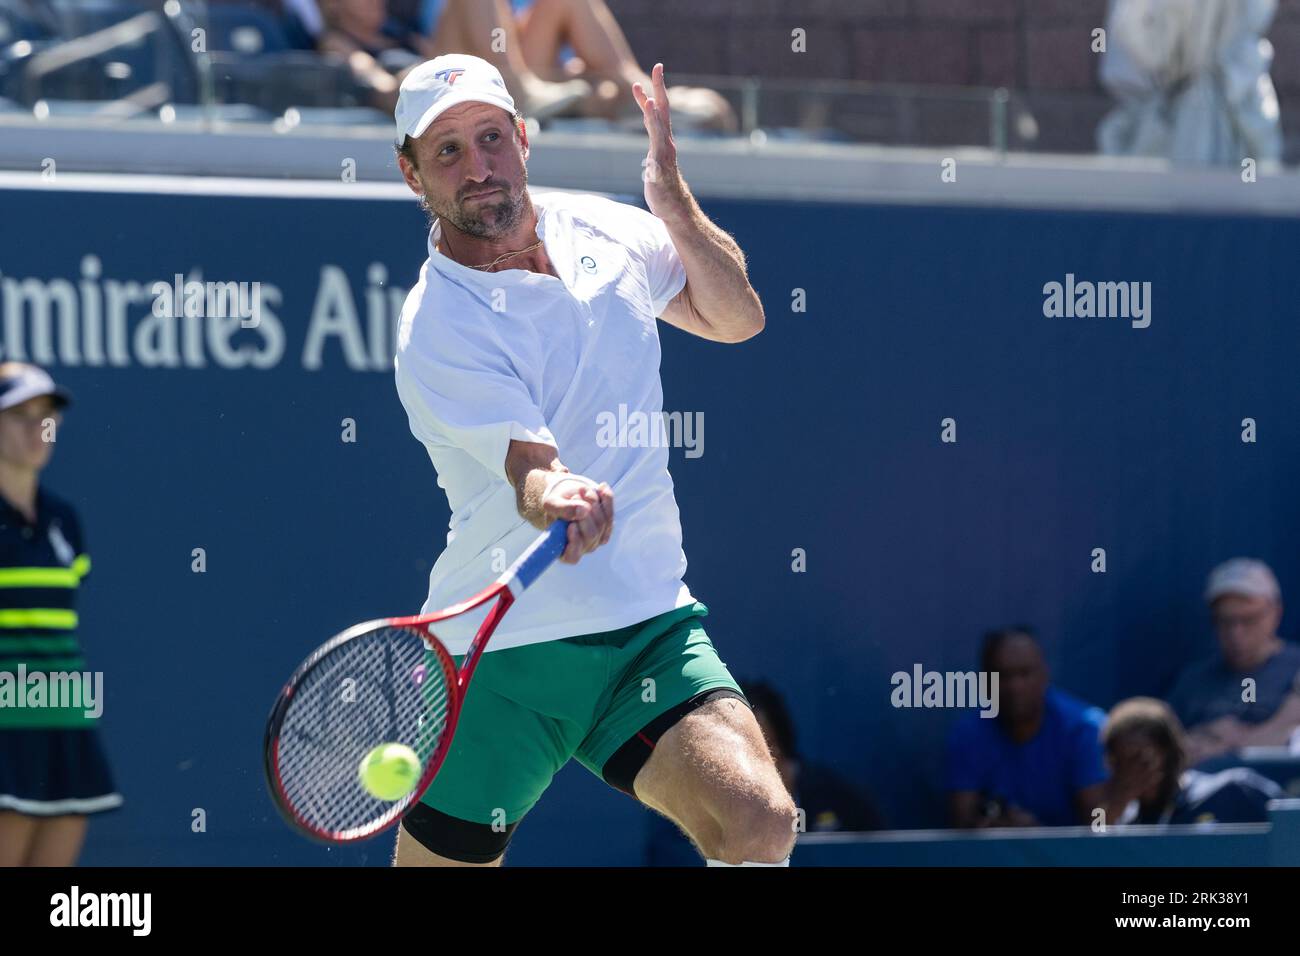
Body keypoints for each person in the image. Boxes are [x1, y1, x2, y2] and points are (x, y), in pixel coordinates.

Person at [388, 53, 779, 867]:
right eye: (448, 151)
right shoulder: (438, 325)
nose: (479, 166)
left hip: (645, 625)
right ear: (411, 173)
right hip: (501, 653)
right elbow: (532, 466)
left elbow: (738, 317)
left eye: (491, 137)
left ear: (524, 139)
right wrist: (558, 492)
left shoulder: (608, 230)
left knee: (759, 823)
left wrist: (673, 205)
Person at [0, 363, 122, 866]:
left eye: (46, 416)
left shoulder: (65, 521)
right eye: (21, 415)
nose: (38, 429)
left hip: (62, 714)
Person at [646, 679, 884, 865]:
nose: (749, 762)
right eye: (738, 751)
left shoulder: (837, 796)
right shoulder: (696, 809)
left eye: (765, 745)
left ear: (781, 745)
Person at [947, 627, 1109, 828]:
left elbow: (1098, 822)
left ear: (1044, 675)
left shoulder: (1084, 729)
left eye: (1024, 673)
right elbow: (961, 827)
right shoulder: (968, 734)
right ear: (985, 681)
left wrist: (1037, 835)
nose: (1015, 686)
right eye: (1002, 675)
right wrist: (995, 828)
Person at [319, 0, 589, 116]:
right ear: (333, 4)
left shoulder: (399, 32)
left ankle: (620, 94)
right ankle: (517, 89)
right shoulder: (336, 41)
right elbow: (374, 83)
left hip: (451, 82)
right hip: (420, 94)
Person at [1167, 558, 1300, 765]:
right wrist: (1203, 735)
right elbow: (1161, 754)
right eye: (1226, 621)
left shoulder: (1295, 670)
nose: (1236, 633)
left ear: (1275, 612)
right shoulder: (1193, 681)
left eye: (1249, 620)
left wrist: (1237, 747)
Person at [1095, 697, 1281, 825]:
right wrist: (1117, 804)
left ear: (1169, 751)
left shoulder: (1233, 791)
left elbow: (1291, 824)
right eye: (1122, 762)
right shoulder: (1123, 823)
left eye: (1141, 759)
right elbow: (1091, 846)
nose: (1132, 773)